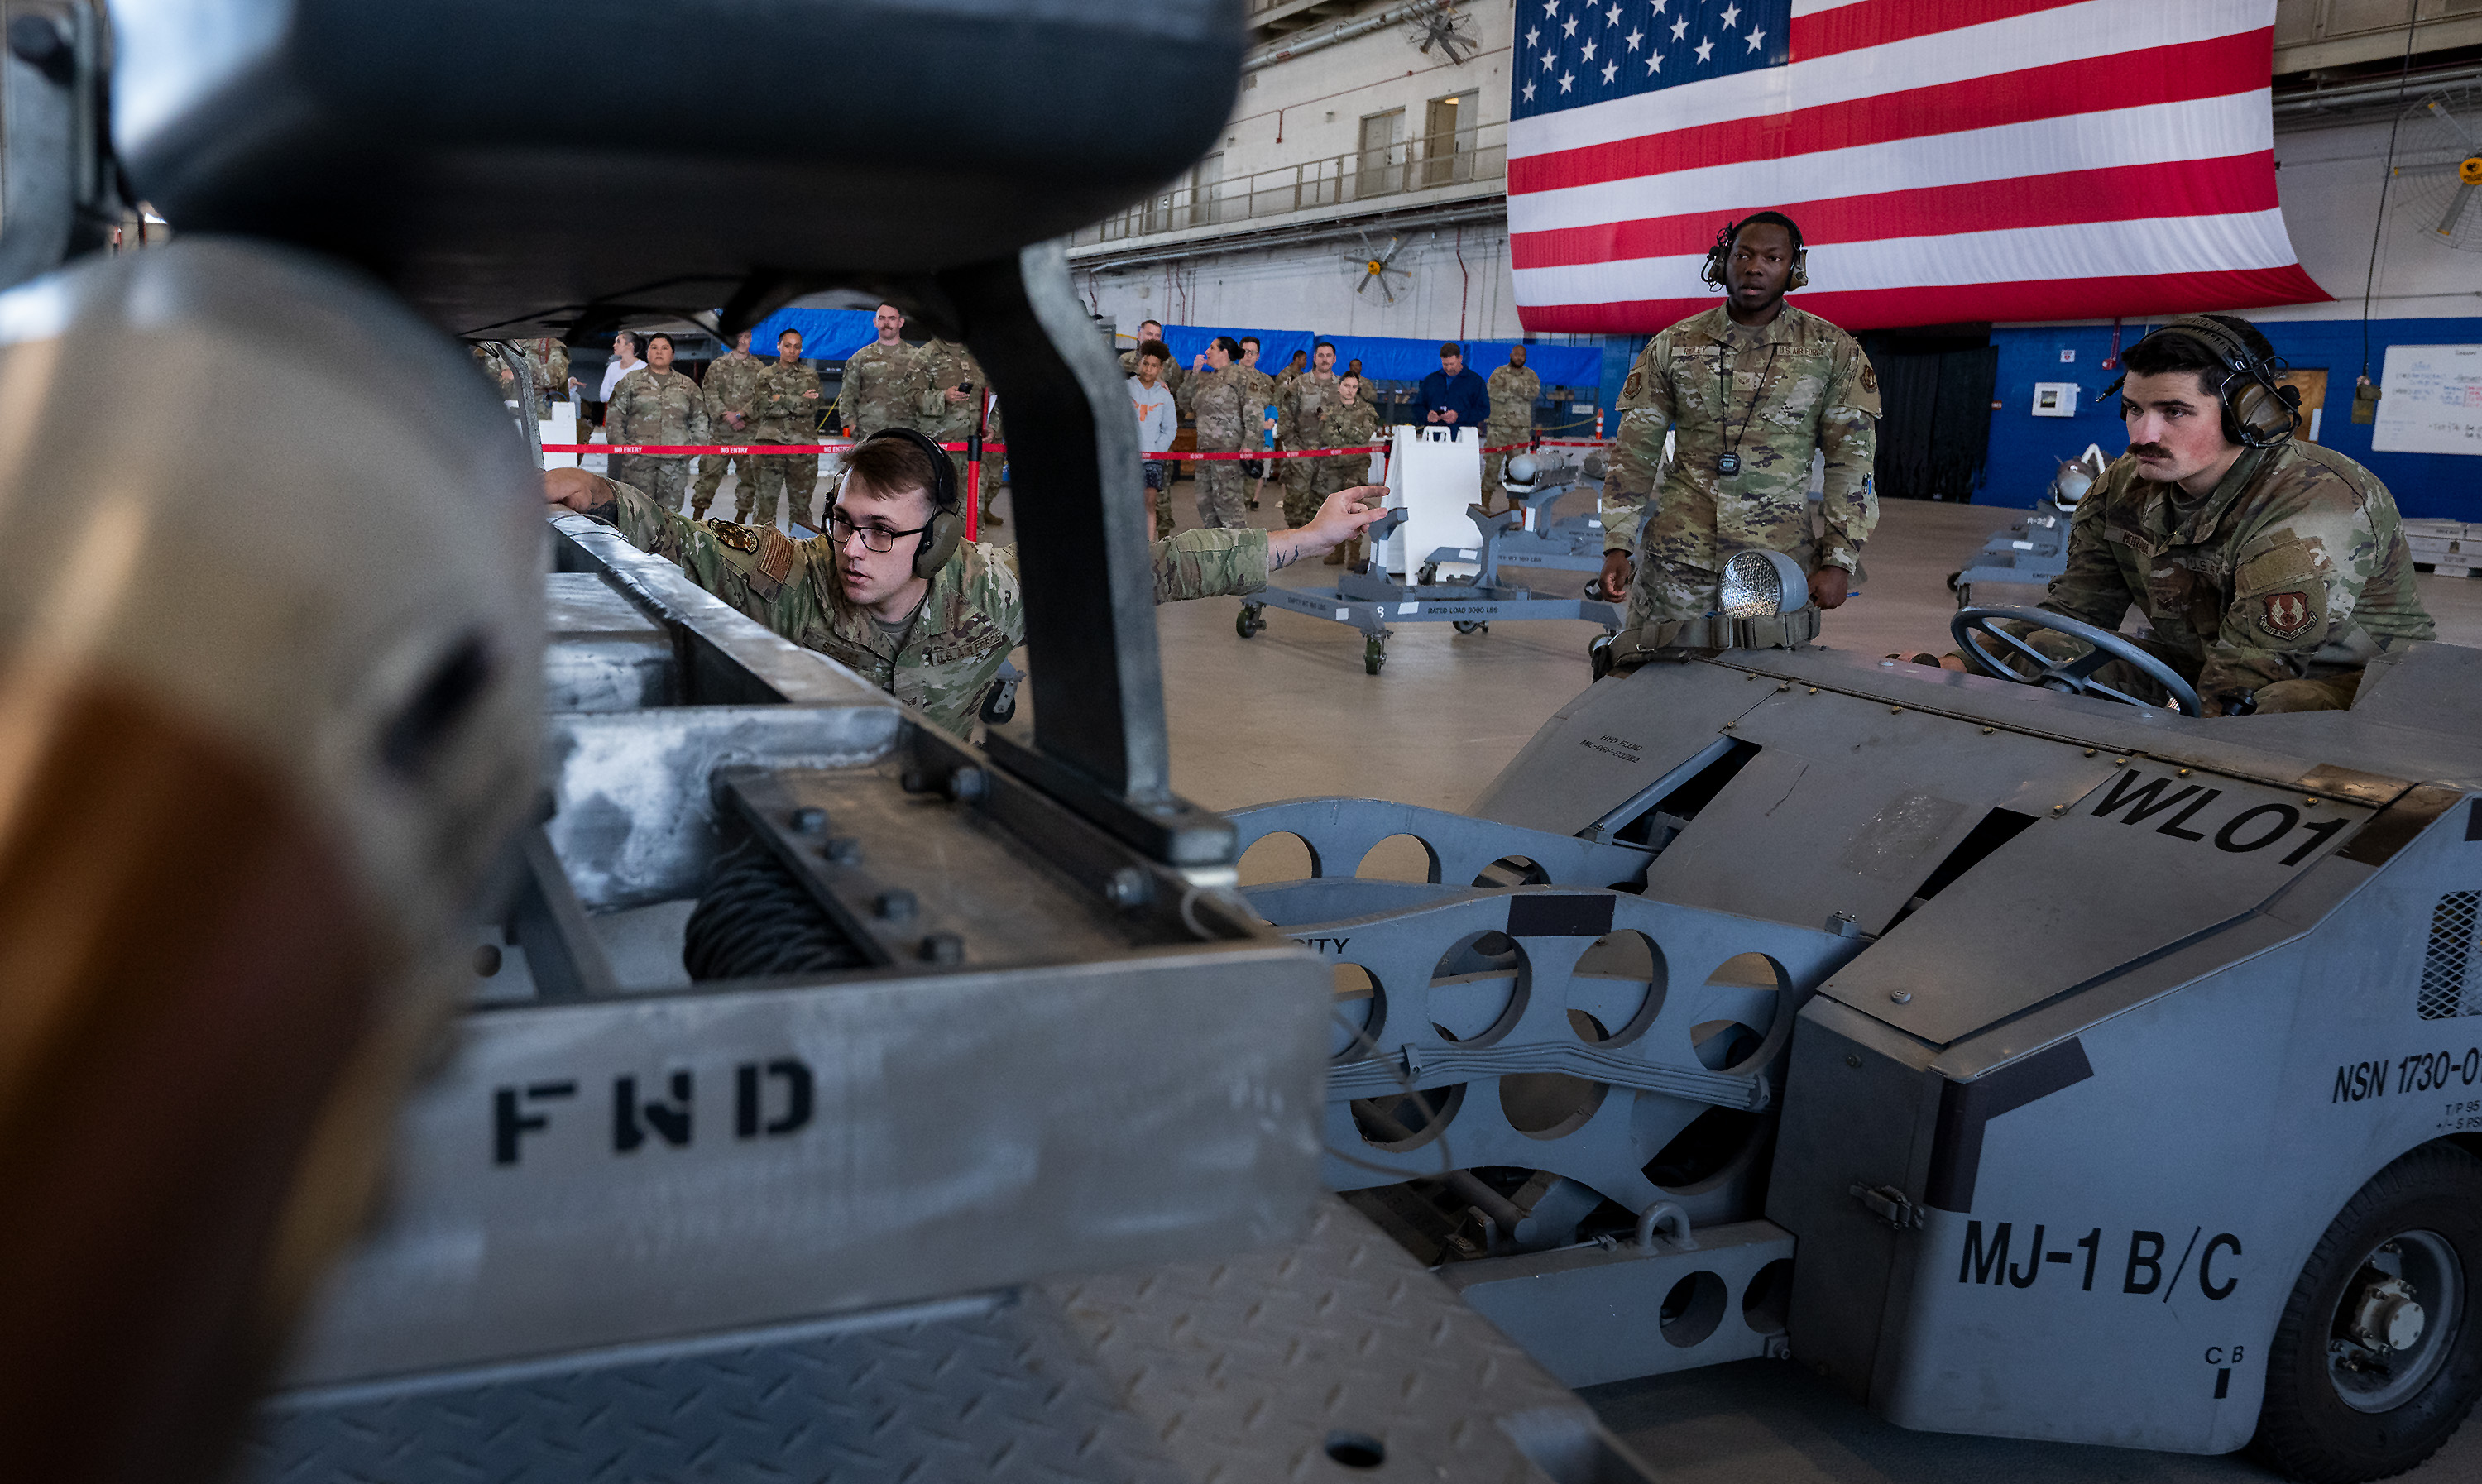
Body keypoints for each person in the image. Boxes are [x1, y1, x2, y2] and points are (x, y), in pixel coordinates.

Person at [541, 429, 1391, 735]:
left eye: (883, 531)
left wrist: (1307, 538)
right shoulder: (789, 576)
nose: (853, 549)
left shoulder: (995, 588)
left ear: (940, 537)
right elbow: (680, 540)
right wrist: (597, 490)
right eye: (846, 522)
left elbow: (1152, 569)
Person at [1915, 314, 2434, 716]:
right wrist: (1961, 665)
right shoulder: (2123, 485)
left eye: (2175, 411)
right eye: (2135, 410)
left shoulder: (2314, 504)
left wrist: (2160, 737)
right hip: (2208, 663)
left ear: (2248, 413)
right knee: (2053, 650)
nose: (2142, 436)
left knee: (2273, 709)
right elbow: (2075, 614)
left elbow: (2247, 680)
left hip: (2353, 688)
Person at [1596, 211, 1880, 651]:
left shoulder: (1832, 351)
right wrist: (1618, 542)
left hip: (1776, 568)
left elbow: (1852, 463)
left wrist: (1840, 560)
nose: (1754, 267)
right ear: (1722, 261)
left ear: (1794, 268)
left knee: (1760, 694)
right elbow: (1635, 450)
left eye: (1772, 257)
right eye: (1743, 254)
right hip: (1676, 564)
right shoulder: (1674, 345)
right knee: (1653, 682)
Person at [602, 332, 709, 510]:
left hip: (674, 464)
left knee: (670, 518)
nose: (659, 352)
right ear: (647, 353)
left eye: (665, 348)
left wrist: (695, 448)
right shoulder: (631, 381)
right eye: (654, 348)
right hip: (638, 463)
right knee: (637, 513)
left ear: (673, 355)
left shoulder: (687, 385)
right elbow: (615, 416)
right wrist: (623, 447)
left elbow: (700, 418)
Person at [913, 336, 1004, 526]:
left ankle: (970, 553)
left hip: (976, 454)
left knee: (973, 514)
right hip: (942, 450)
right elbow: (911, 397)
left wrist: (992, 427)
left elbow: (994, 398)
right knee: (938, 512)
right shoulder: (925, 355)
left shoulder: (979, 355)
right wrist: (942, 397)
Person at [748, 328, 825, 529]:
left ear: (801, 349)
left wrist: (779, 399)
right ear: (778, 346)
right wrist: (799, 399)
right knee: (765, 506)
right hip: (770, 447)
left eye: (797, 347)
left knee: (802, 509)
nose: (792, 351)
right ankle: (761, 555)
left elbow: (811, 407)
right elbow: (761, 407)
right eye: (787, 346)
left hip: (803, 449)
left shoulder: (811, 376)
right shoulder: (765, 375)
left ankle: (802, 555)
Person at [691, 329, 766, 519]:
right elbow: (710, 393)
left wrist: (741, 415)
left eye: (747, 337)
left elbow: (761, 399)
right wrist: (727, 416)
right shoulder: (717, 366)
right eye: (738, 336)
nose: (742, 341)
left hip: (748, 435)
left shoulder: (760, 369)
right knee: (708, 475)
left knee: (749, 479)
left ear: (751, 340)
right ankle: (696, 519)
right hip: (720, 435)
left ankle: (739, 522)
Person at [1178, 335, 1249, 529]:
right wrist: (1194, 373)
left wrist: (1250, 445)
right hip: (1204, 452)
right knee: (1205, 503)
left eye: (1212, 348)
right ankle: (1219, 550)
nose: (1207, 351)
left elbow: (1253, 411)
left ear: (1224, 352)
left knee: (1228, 506)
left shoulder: (1240, 376)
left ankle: (1240, 553)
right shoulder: (1208, 379)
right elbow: (1185, 403)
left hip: (1228, 453)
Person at [1276, 342, 1345, 533]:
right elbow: (1286, 415)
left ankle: (1317, 537)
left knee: (1324, 499)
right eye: (1320, 355)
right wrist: (1291, 445)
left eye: (1328, 356)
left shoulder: (1342, 386)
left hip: (1329, 456)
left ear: (1334, 359)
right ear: (1314, 358)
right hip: (1301, 452)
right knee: (1296, 497)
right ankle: (1296, 536)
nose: (1324, 359)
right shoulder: (1300, 384)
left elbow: (1348, 418)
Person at [1322, 373, 1384, 568]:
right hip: (1334, 465)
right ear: (1339, 387)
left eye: (1354, 386)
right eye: (1346, 385)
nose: (1350, 390)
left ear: (1358, 388)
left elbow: (1365, 434)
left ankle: (1355, 554)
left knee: (1355, 508)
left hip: (1357, 465)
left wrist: (1341, 425)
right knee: (1333, 509)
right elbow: (1328, 436)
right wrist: (1349, 431)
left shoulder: (1367, 409)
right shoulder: (1328, 408)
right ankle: (1337, 552)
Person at [837, 304, 918, 438]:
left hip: (908, 433)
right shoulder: (860, 358)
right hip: (869, 434)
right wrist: (851, 426)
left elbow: (926, 395)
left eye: (892, 318)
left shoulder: (917, 358)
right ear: (875, 322)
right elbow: (848, 395)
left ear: (901, 322)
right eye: (882, 318)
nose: (886, 323)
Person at [1483, 346, 1541, 513]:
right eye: (1516, 354)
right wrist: (1517, 392)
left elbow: (1533, 393)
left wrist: (1509, 389)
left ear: (1525, 357)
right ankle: (1484, 505)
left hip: (1520, 431)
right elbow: (1493, 392)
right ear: (1511, 355)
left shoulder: (1531, 375)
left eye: (1522, 355)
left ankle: (1514, 508)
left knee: (1518, 469)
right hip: (1498, 428)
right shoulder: (1499, 373)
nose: (1519, 357)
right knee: (1492, 467)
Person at [1130, 339, 1179, 539]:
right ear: (1140, 363)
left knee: (1149, 505)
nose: (1148, 369)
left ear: (1160, 369)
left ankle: (1149, 550)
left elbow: (1170, 429)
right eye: (1146, 363)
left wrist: (1156, 450)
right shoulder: (1126, 388)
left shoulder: (1165, 397)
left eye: (1154, 366)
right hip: (1127, 457)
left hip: (1152, 459)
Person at [1235, 336, 1278, 509]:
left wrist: (1267, 421)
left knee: (1247, 491)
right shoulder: (1226, 375)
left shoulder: (1266, 381)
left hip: (1254, 443)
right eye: (1245, 351)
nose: (1248, 355)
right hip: (1229, 441)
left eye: (1252, 352)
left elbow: (1273, 406)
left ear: (1258, 356)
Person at [1416, 342, 1488, 437]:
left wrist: (1459, 417)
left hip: (1463, 438)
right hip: (1433, 437)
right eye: (1445, 364)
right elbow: (1417, 407)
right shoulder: (1431, 380)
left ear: (1460, 359)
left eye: (1452, 364)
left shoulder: (1475, 381)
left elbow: (1484, 410)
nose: (1449, 368)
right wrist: (1427, 415)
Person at [1119, 318, 1187, 400]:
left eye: (1157, 336)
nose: (1154, 339)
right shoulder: (1126, 360)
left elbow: (1178, 392)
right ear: (1139, 335)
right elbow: (1117, 386)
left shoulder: (1169, 362)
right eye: (1150, 334)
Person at [596, 330, 642, 404]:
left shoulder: (642, 368)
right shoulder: (612, 367)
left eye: (619, 342)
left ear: (629, 346)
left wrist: (612, 391)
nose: (614, 345)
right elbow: (603, 396)